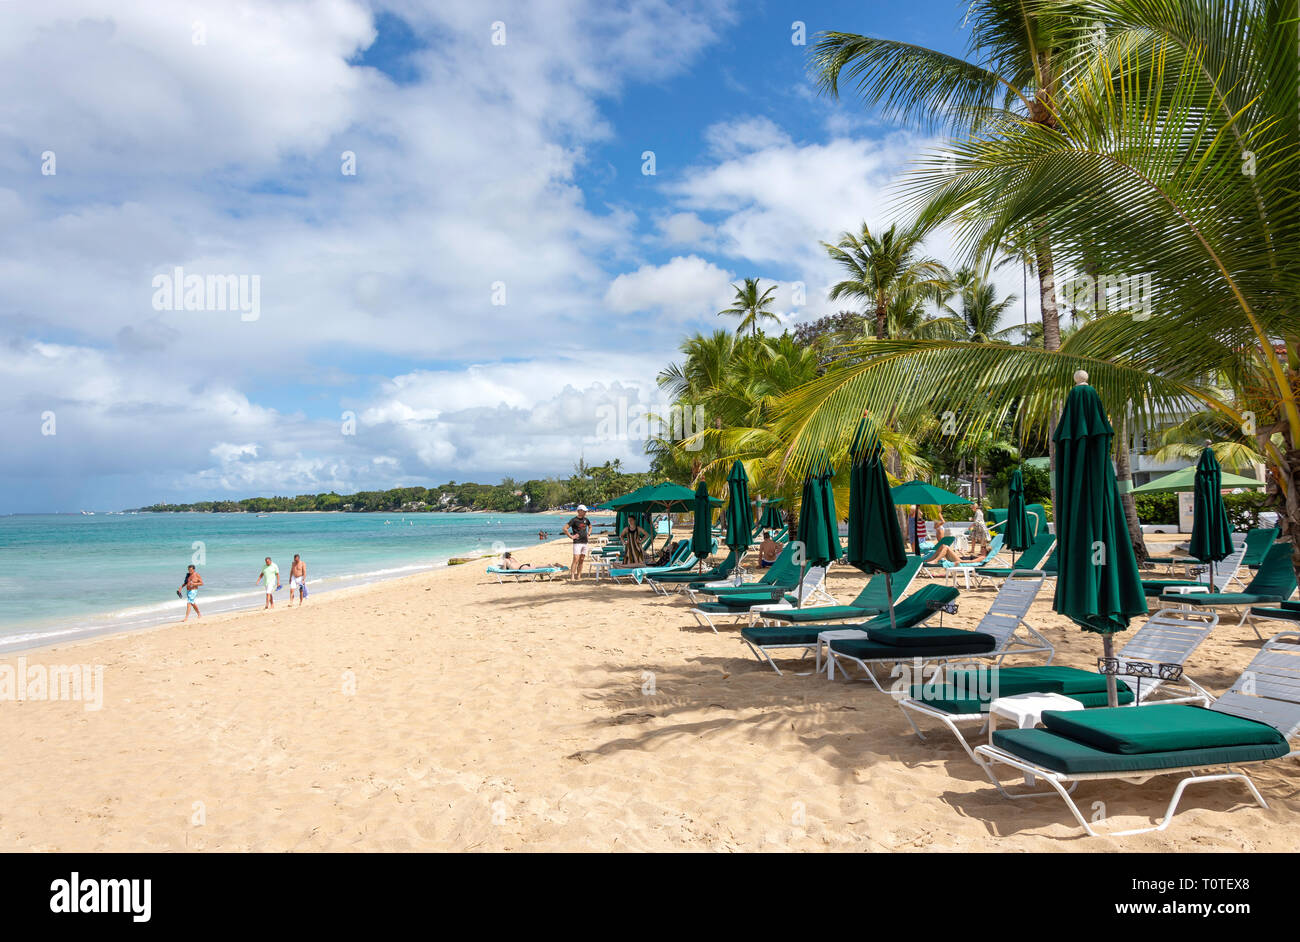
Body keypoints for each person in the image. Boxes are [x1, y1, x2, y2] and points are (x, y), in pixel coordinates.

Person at [562, 505, 592, 581]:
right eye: (584, 511)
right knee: (575, 559)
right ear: (579, 511)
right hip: (577, 542)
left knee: (582, 559)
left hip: (585, 542)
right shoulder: (574, 520)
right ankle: (572, 576)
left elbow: (590, 526)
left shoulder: (586, 520)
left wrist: (588, 534)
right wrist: (571, 536)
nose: (585, 512)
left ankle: (579, 576)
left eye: (586, 511)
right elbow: (565, 528)